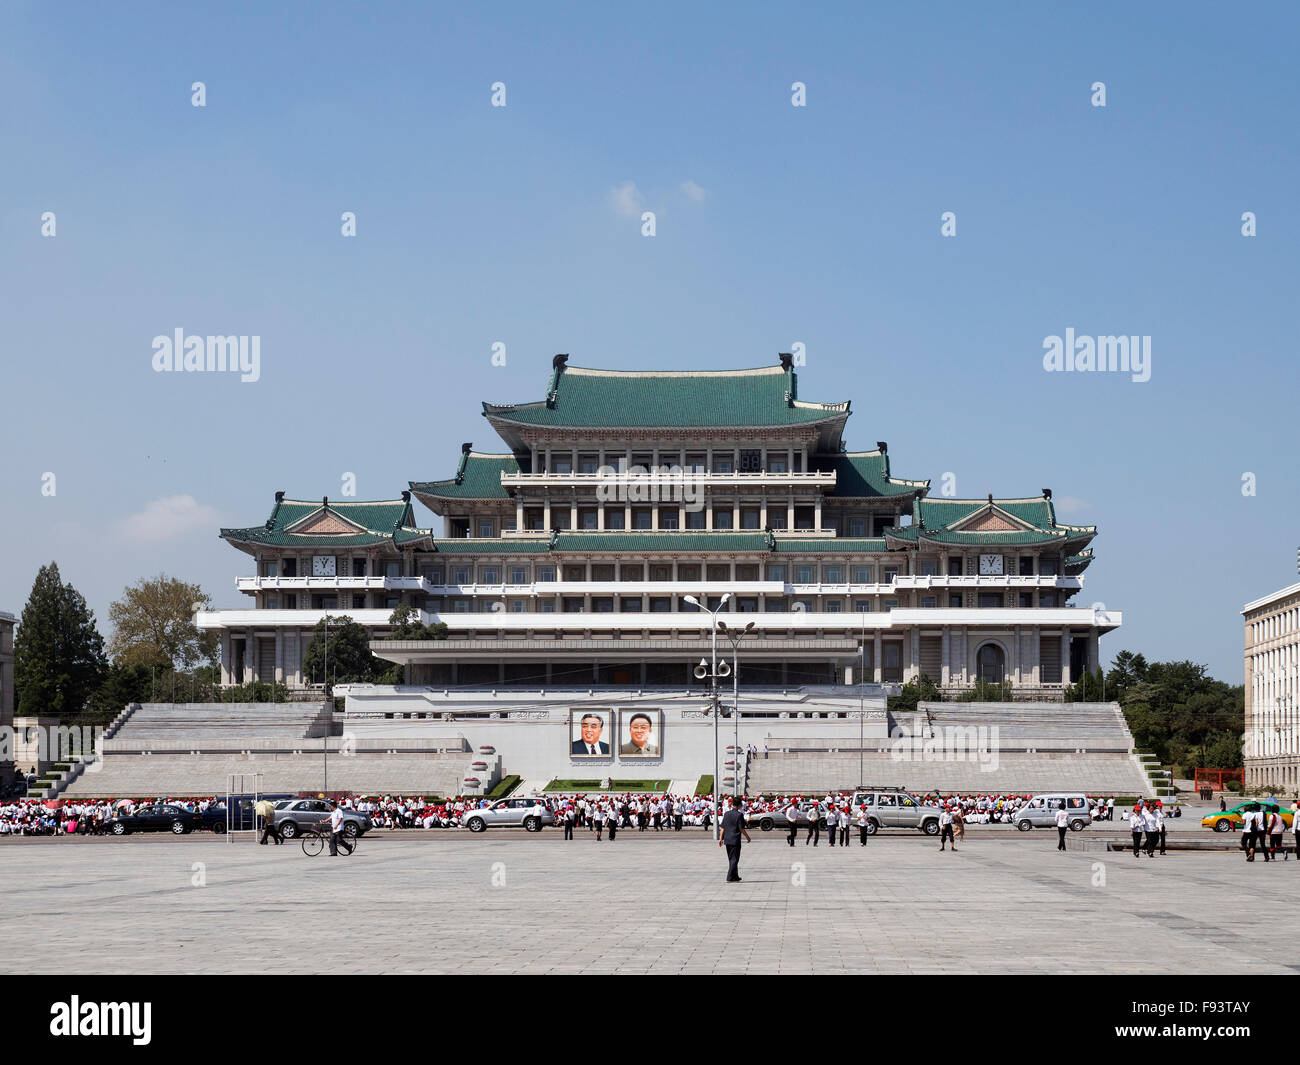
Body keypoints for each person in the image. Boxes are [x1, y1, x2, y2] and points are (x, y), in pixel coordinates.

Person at [719, 796, 752, 882]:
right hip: (735, 840)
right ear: (740, 805)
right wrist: (747, 837)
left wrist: (720, 838)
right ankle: (729, 877)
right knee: (735, 858)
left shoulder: (726, 814)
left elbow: (723, 827)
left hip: (727, 839)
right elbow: (741, 828)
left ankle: (735, 876)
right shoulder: (739, 815)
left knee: (731, 858)